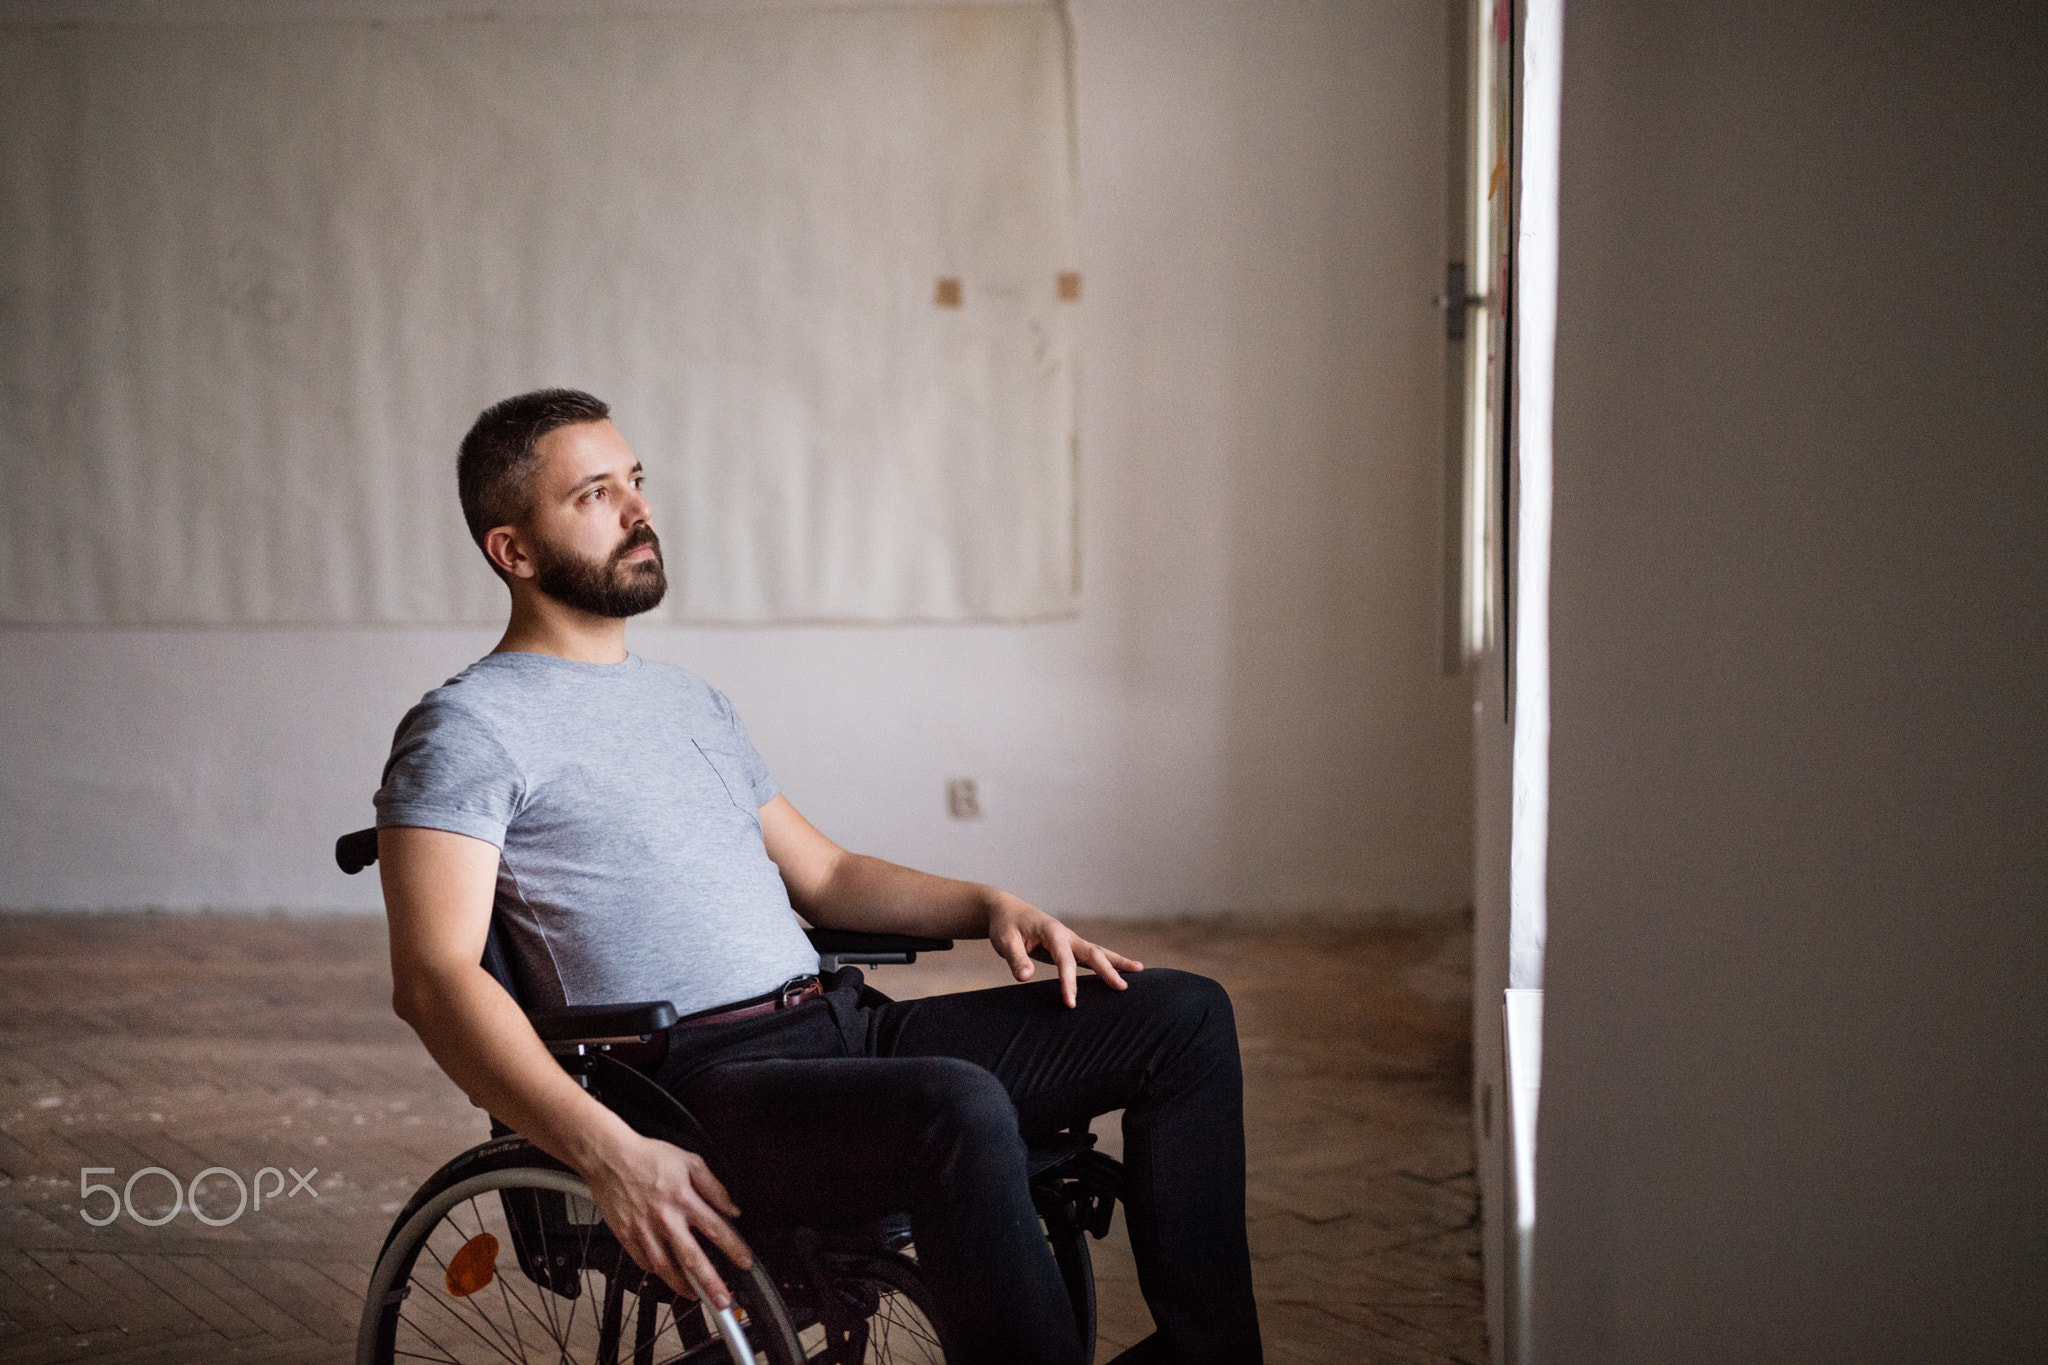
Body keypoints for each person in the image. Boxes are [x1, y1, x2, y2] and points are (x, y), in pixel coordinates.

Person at [375, 388, 1263, 1365]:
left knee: (1181, 1017)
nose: (639, 510)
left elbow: (826, 873)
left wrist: (990, 906)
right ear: (513, 550)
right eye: (594, 494)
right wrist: (610, 1153)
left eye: (635, 481)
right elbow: (435, 980)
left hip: (839, 1033)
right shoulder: (468, 727)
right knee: (956, 1104)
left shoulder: (687, 701)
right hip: (703, 1094)